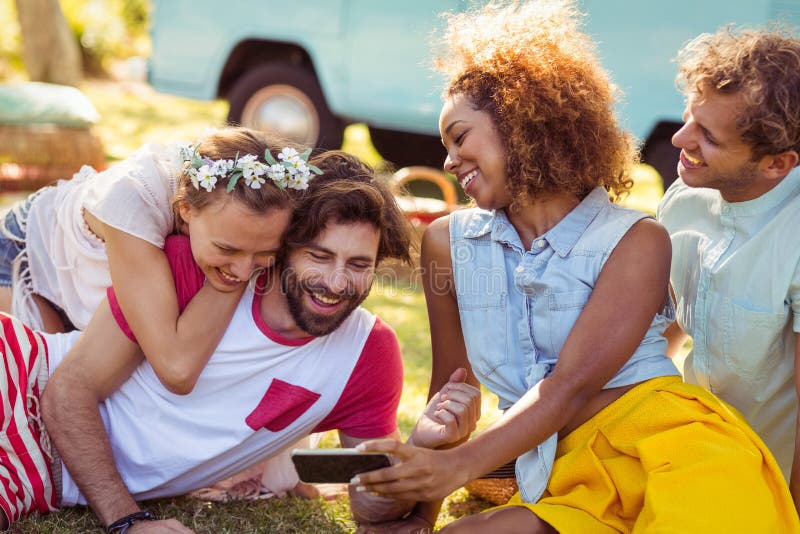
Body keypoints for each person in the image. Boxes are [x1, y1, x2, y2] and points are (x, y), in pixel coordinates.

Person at [353, 2, 800, 532]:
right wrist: (424, 513)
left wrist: (455, 469)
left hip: (672, 448)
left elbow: (570, 387)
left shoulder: (638, 238)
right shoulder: (448, 243)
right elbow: (450, 395)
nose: (448, 161)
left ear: (521, 124)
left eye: (460, 137)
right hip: (565, 470)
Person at [0, 151, 481, 531]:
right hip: (19, 374)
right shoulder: (197, 267)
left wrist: (418, 445)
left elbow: (368, 507)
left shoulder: (368, 353)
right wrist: (126, 520)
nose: (336, 283)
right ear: (283, 248)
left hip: (36, 476)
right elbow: (67, 390)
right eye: (319, 256)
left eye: (358, 265)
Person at [0, 127, 306, 396]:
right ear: (186, 210)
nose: (244, 271)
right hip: (24, 259)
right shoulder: (133, 200)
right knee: (38, 385)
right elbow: (174, 367)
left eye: (265, 252)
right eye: (227, 248)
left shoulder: (263, 198)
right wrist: (227, 286)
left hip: (100, 266)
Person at [656, 27, 800, 509]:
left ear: (777, 164)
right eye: (689, 117)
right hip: (695, 454)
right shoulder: (684, 198)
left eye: (709, 136)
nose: (679, 139)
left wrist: (789, 515)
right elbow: (667, 328)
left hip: (772, 481)